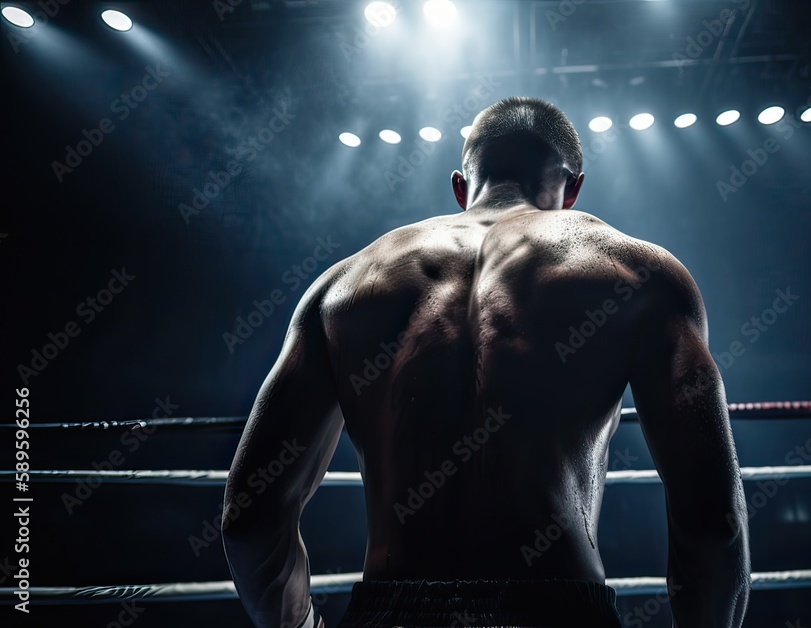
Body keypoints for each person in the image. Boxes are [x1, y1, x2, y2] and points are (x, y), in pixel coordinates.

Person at [222, 96, 750, 628]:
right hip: (556, 609)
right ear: (573, 188)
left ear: (460, 186)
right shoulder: (637, 273)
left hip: (389, 613)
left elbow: (249, 520)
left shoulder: (342, 287)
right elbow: (713, 519)